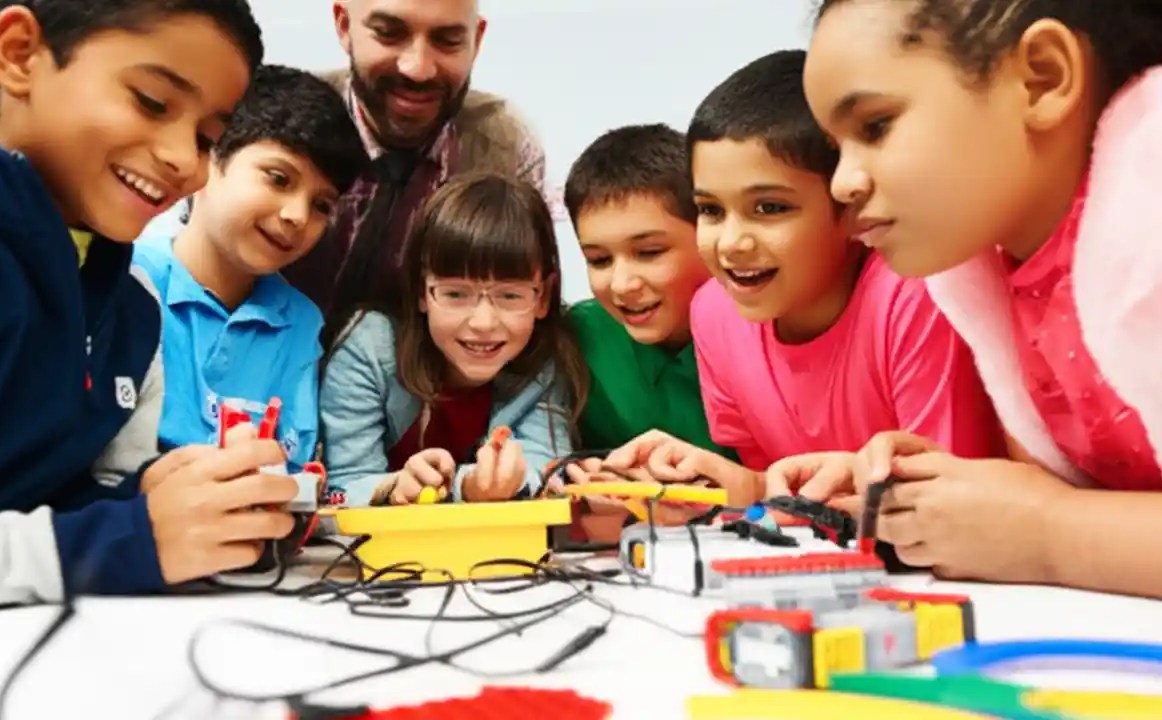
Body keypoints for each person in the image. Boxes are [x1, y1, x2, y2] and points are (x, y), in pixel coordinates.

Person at [803, 0, 1162, 602]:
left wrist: (1047, 533)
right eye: (836, 149)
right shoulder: (999, 279)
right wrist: (943, 492)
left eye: (876, 126)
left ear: (1042, 76)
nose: (843, 183)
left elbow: (1060, 519)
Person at [0, 0, 300, 620]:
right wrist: (116, 541)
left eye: (209, 138)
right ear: (18, 54)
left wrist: (159, 494)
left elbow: (82, 497)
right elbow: (92, 538)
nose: (186, 161)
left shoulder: (135, 309)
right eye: (152, 101)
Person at [604, 50, 1001, 511]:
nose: (731, 242)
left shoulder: (915, 295)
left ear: (851, 204)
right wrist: (738, 489)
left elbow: (945, 503)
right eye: (711, 210)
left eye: (770, 208)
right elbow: (779, 485)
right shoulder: (713, 311)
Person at [134, 64, 364, 469]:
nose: (297, 215)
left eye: (321, 205)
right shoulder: (128, 283)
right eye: (278, 179)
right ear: (209, 159)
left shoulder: (300, 324)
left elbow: (293, 471)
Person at [283, 0, 549, 343]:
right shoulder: (284, 123)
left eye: (448, 41)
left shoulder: (504, 146)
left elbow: (519, 300)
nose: (417, 69)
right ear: (344, 25)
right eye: (389, 34)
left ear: (477, 40)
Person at [319, 173, 586, 506]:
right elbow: (340, 490)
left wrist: (487, 484)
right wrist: (394, 487)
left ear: (543, 297)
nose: (483, 322)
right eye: (456, 293)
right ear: (421, 290)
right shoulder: (369, 349)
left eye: (511, 296)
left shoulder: (544, 359)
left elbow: (545, 470)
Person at [560, 124, 730, 538]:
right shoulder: (575, 340)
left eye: (649, 252)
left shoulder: (758, 331)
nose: (621, 284)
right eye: (598, 260)